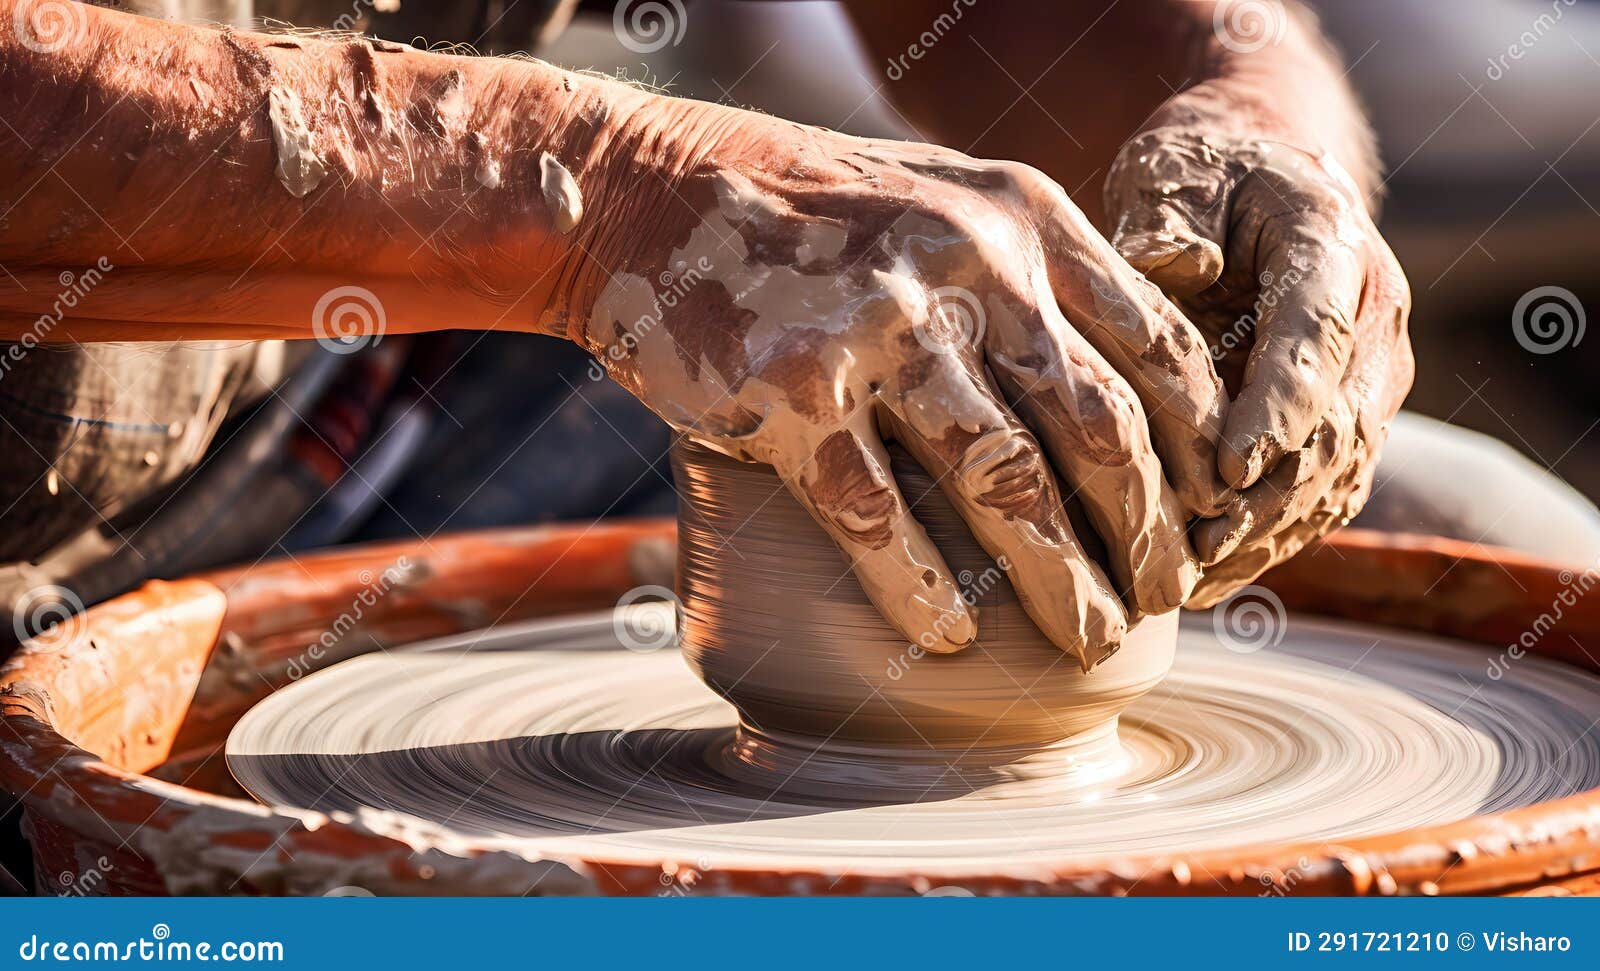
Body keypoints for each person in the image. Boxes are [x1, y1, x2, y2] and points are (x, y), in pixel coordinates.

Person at [0, 0, 1413, 668]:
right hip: (50, 548)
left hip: (384, 376)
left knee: (1458, 525)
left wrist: (1250, 104)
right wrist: (617, 196)